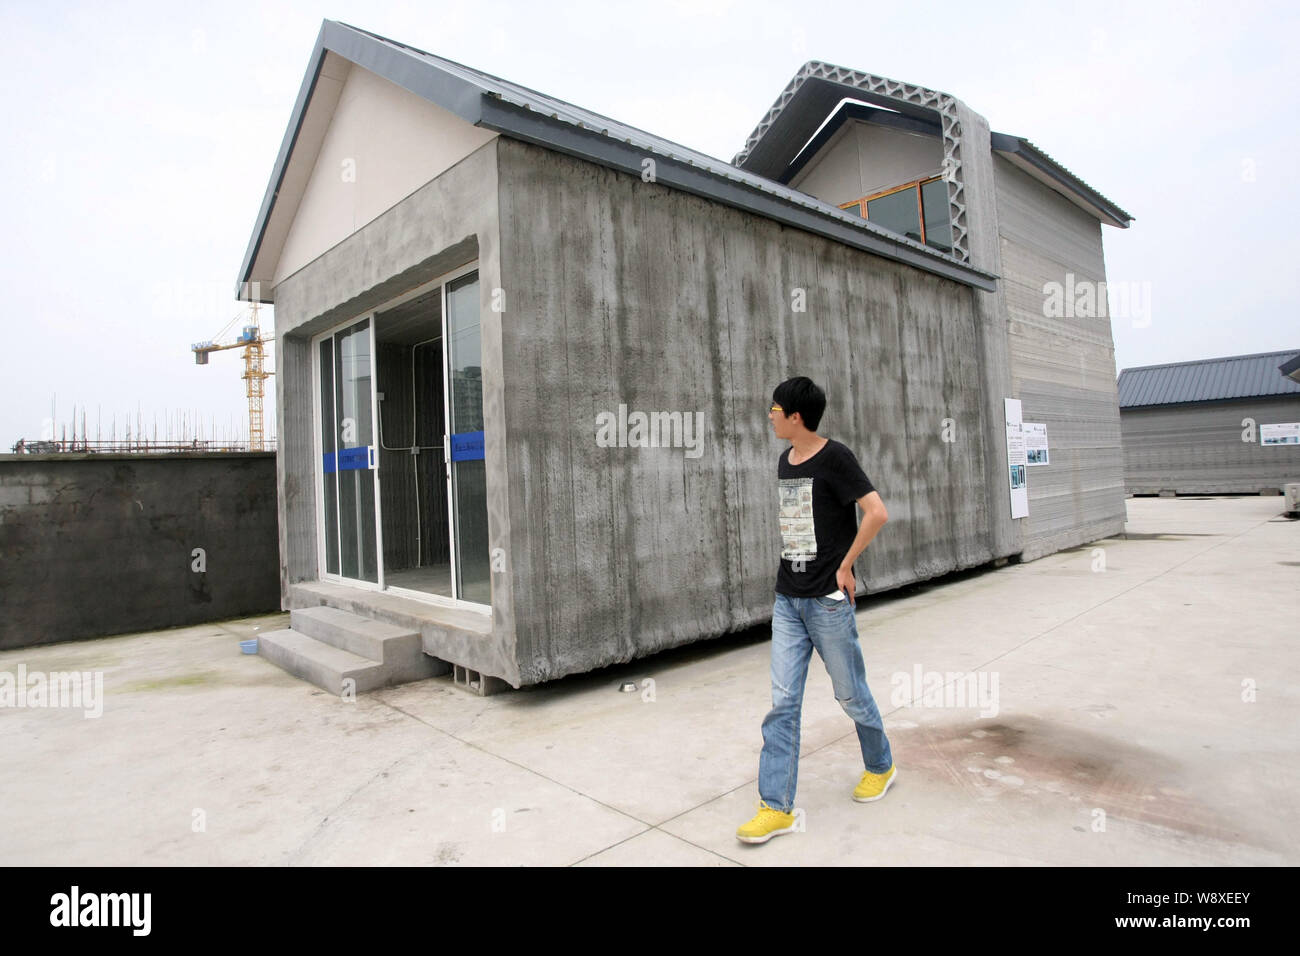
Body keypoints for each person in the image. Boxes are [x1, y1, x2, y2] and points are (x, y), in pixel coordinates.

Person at [736, 376, 896, 844]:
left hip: (827, 601)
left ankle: (880, 765)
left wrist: (847, 565)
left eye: (775, 409)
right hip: (788, 599)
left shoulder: (837, 458)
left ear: (795, 417)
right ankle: (776, 806)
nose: (769, 415)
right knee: (782, 704)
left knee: (850, 693)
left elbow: (877, 511)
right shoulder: (784, 461)